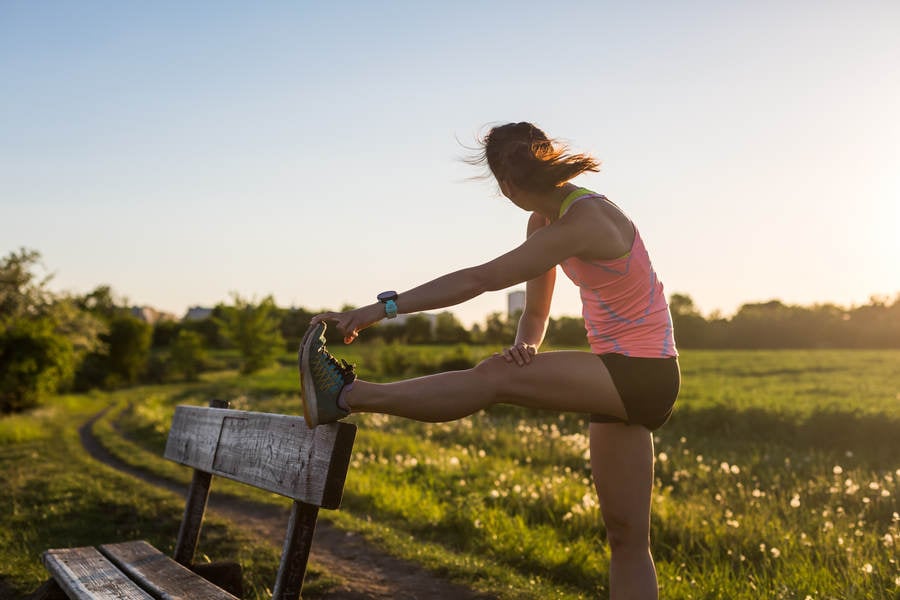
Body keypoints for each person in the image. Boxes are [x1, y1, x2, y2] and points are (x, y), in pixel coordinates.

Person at [299, 121, 679, 599]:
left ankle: (347, 395)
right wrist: (528, 343)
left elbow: (480, 279)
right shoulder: (547, 222)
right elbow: (536, 310)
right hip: (626, 376)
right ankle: (346, 396)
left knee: (494, 378)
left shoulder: (583, 220)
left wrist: (379, 309)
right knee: (625, 538)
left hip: (641, 373)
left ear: (505, 184)